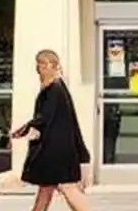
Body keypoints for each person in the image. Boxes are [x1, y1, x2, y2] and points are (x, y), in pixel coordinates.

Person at [11, 49, 93, 211]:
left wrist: (24, 129)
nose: (38, 70)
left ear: (50, 66)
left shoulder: (54, 90)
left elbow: (45, 118)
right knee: (46, 188)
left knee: (66, 187)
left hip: (55, 150)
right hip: (56, 149)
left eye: (40, 65)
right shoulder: (56, 88)